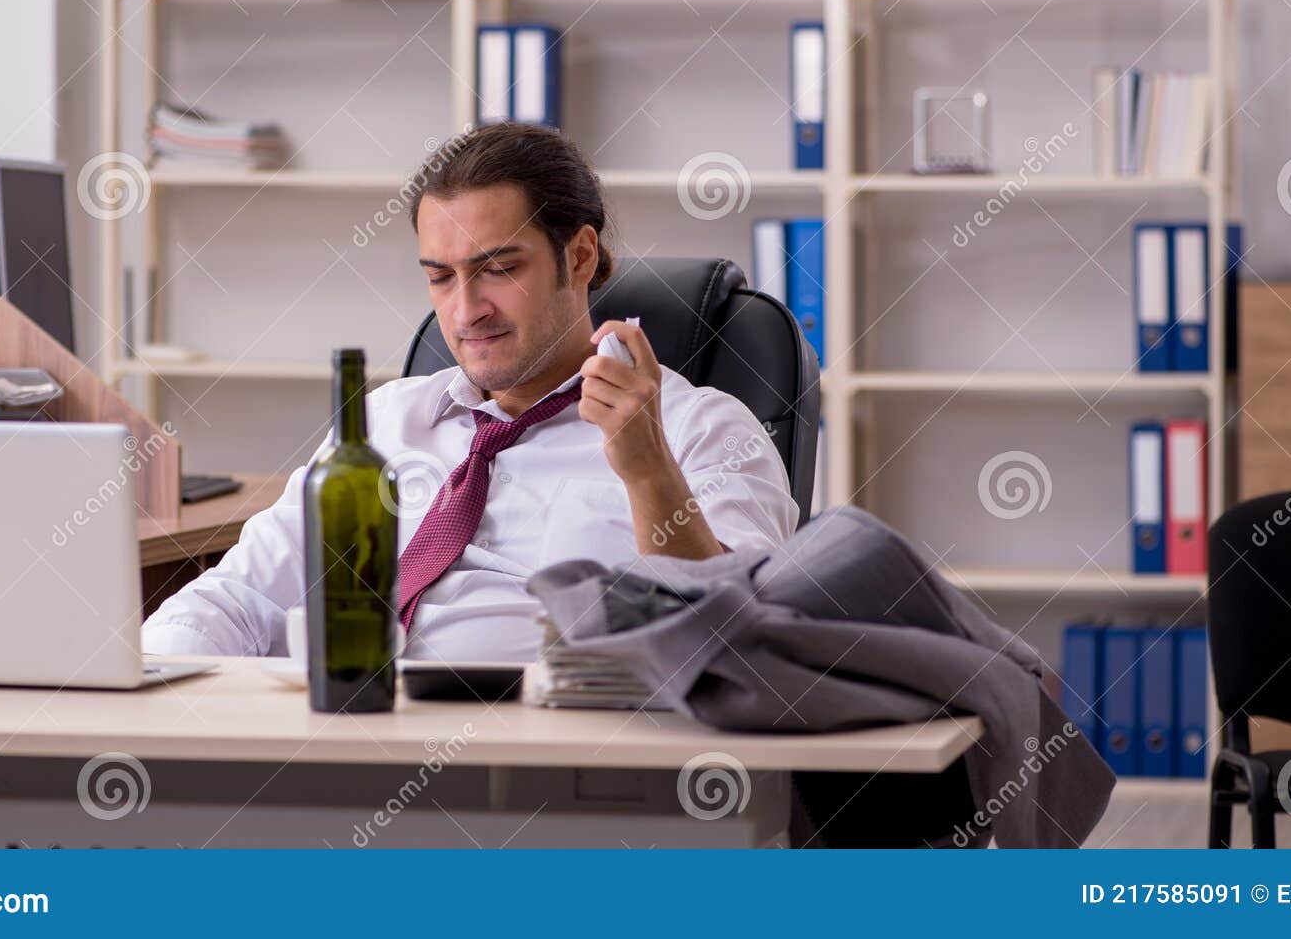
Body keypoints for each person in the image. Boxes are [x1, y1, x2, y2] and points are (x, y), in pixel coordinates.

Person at [142, 122, 799, 661]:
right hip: (345, 728)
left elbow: (735, 645)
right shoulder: (384, 422)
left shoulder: (701, 430)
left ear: (579, 256)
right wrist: (154, 687)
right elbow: (239, 595)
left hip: (541, 750)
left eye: (498, 269)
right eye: (440, 277)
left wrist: (650, 474)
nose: (465, 312)